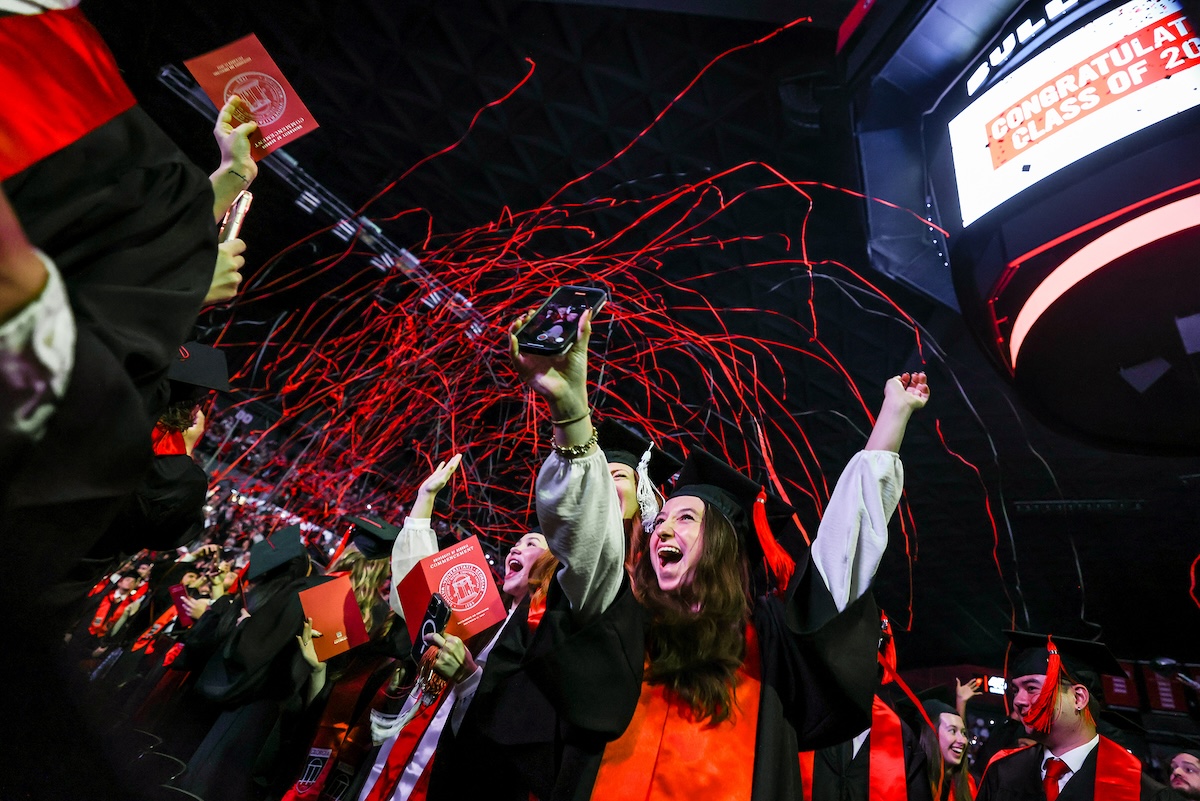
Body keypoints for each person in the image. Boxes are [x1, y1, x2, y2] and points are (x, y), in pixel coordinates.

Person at [426, 308, 929, 801]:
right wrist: (570, 411)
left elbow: (845, 548)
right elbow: (587, 544)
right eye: (662, 519)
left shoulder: (771, 643)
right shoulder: (622, 623)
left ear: (724, 545)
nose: (663, 526)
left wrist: (892, 417)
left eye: (686, 518)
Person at [975, 631, 1178, 801]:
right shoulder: (1003, 771)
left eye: (1031, 688)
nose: (1018, 700)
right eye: (1015, 690)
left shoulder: (1140, 789)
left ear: (1079, 698)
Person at [597, 417, 682, 565]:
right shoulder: (561, 556)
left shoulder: (660, 565)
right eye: (598, 478)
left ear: (643, 494)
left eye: (619, 476)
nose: (605, 484)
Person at [919, 700, 974, 801]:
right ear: (932, 735)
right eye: (952, 731)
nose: (963, 740)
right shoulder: (915, 782)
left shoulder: (970, 784)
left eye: (963, 733)